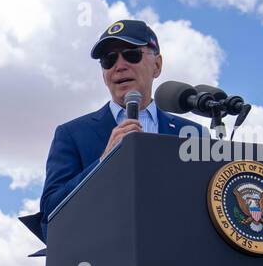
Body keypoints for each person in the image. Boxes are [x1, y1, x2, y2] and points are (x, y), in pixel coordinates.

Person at [37, 20, 205, 241]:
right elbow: (50, 214)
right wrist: (103, 163)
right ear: (103, 74)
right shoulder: (72, 134)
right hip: (104, 264)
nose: (120, 65)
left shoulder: (192, 134)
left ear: (157, 65)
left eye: (131, 54)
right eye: (109, 59)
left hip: (175, 261)